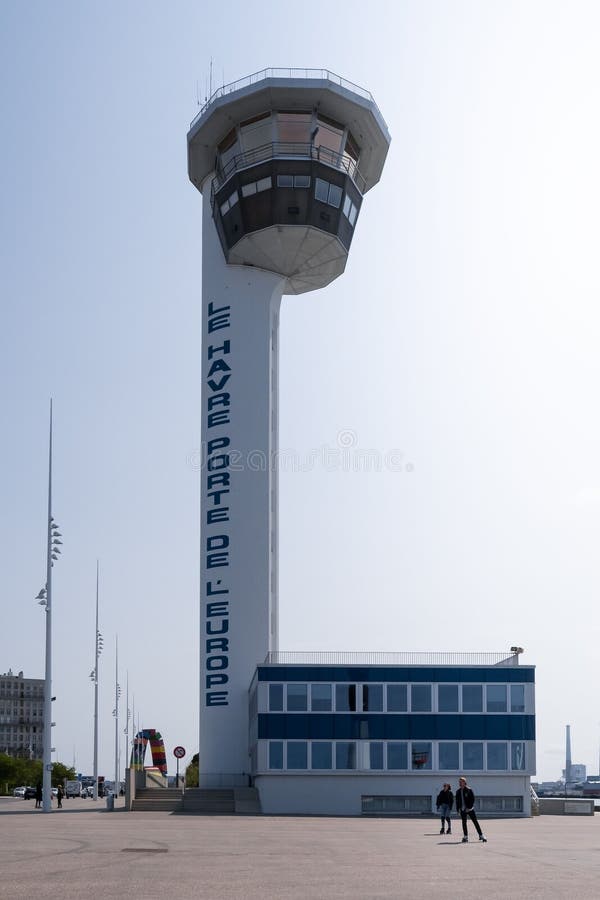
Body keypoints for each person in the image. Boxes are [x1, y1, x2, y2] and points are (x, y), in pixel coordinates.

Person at [455, 776, 487, 843]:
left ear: (464, 782)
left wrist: (469, 808)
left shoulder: (469, 790)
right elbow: (457, 801)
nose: (460, 783)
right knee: (464, 823)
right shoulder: (458, 791)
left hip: (470, 809)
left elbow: (472, 800)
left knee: (475, 822)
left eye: (461, 782)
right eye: (459, 782)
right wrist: (458, 810)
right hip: (463, 810)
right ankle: (465, 837)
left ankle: (481, 835)